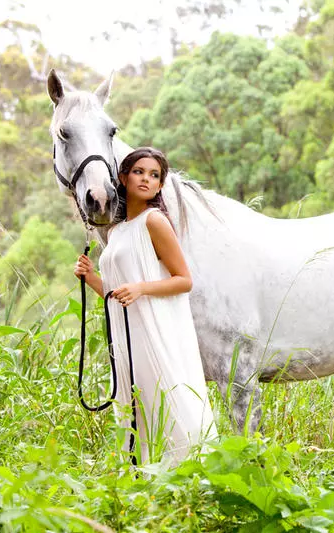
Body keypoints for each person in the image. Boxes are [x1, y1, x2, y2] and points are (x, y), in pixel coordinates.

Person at [73, 147, 217, 466]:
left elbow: (184, 280)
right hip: (128, 336)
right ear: (123, 178)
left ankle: (191, 473)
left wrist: (142, 288)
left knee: (169, 399)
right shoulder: (117, 231)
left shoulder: (155, 222)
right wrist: (92, 278)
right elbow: (116, 293)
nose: (146, 179)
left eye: (155, 175)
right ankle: (144, 480)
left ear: (160, 186)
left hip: (155, 330)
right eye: (139, 172)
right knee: (139, 405)